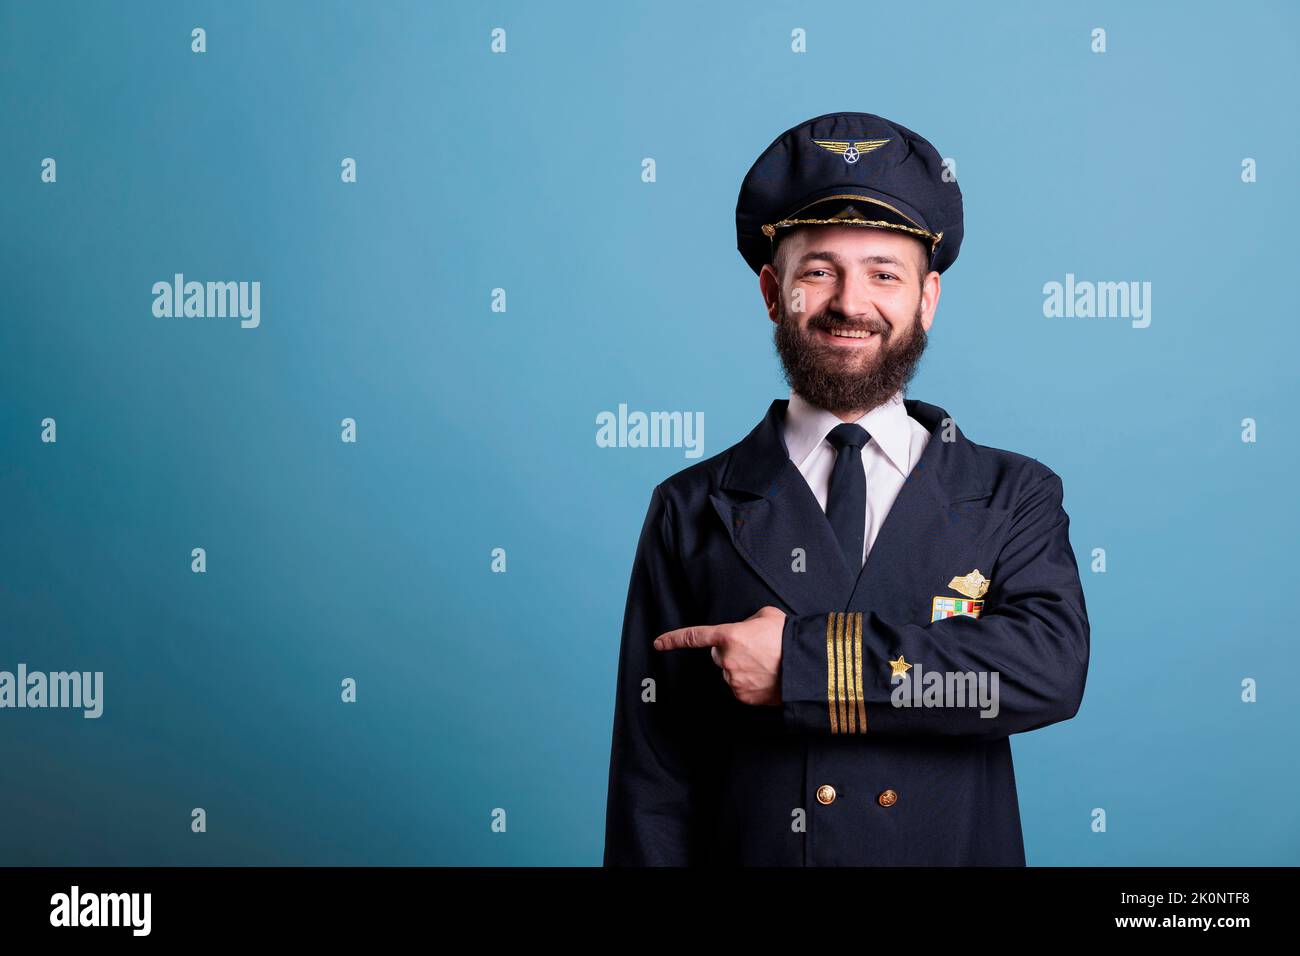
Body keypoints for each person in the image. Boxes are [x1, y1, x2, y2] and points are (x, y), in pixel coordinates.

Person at [602, 111, 1090, 866]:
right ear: (773, 293)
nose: (849, 303)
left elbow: (1046, 674)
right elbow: (652, 782)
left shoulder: (1012, 493)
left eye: (884, 273)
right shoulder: (690, 505)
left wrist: (800, 664)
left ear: (927, 299)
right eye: (819, 270)